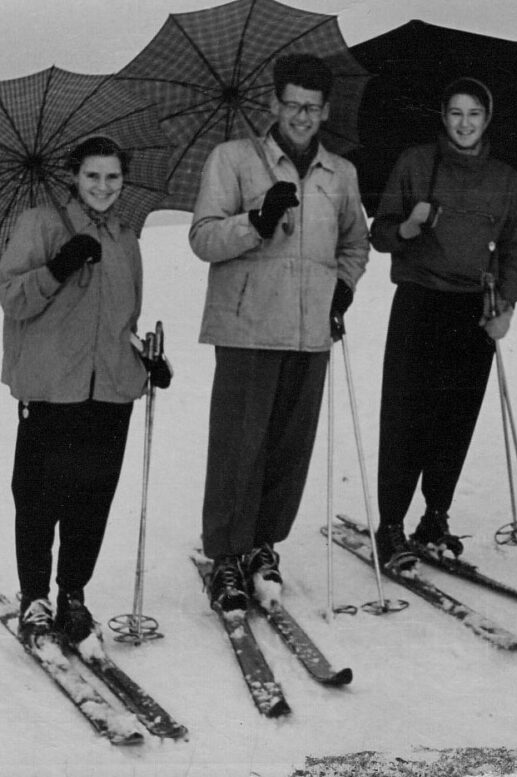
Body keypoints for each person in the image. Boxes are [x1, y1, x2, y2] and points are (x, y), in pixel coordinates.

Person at [189, 54, 369, 613]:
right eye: (292, 104)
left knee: (290, 449)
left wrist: (343, 287)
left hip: (310, 331)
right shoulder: (233, 160)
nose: (302, 116)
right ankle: (226, 556)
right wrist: (256, 222)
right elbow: (203, 238)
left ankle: (263, 546)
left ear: (326, 111)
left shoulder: (340, 174)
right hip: (247, 327)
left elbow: (355, 242)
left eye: (312, 107)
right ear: (274, 103)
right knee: (238, 449)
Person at [0, 135, 172, 646]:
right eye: (93, 175)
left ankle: (72, 593)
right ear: (74, 176)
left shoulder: (125, 238)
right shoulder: (41, 224)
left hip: (111, 390)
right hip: (51, 387)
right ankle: (35, 598)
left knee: (91, 501)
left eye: (113, 176)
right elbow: (12, 296)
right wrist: (58, 267)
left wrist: (147, 359)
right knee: (38, 499)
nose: (103, 186)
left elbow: (124, 321)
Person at [368, 77, 517, 569]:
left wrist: (506, 305)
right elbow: (380, 233)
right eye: (456, 113)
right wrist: (408, 226)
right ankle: (391, 525)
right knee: (406, 417)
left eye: (474, 114)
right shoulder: (416, 163)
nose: (464, 123)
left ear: (487, 118)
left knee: (455, 419)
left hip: (474, 309)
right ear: (443, 116)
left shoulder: (505, 178)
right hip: (420, 301)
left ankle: (435, 516)